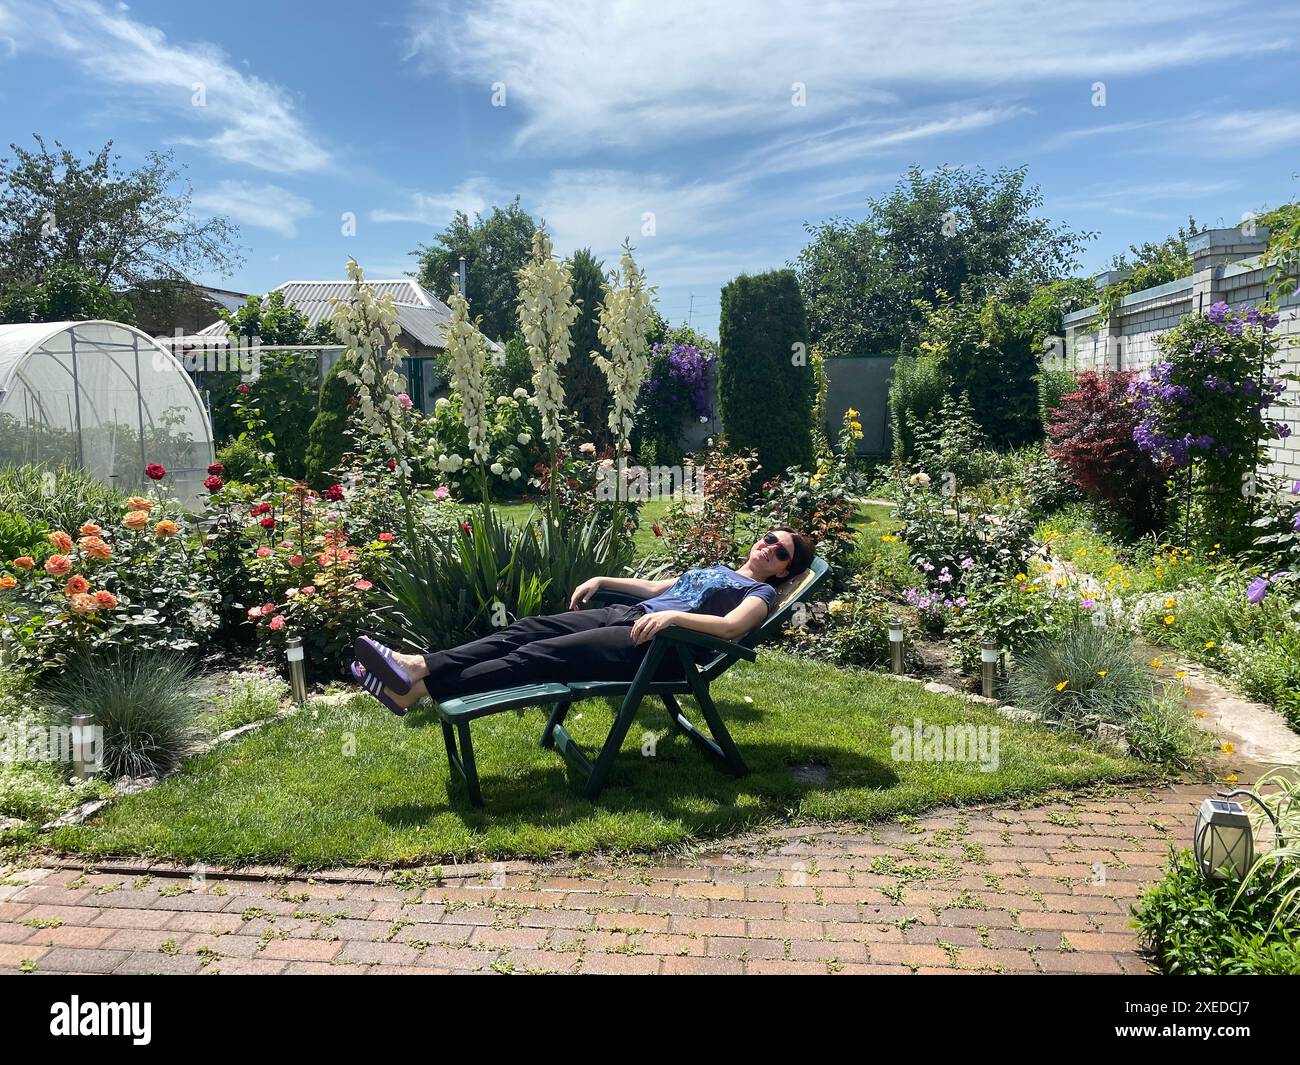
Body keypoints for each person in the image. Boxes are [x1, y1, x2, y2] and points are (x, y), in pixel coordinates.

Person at [351, 526, 815, 716]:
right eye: (768, 538)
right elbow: (658, 590)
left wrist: (676, 619)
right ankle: (418, 669)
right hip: (629, 616)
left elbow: (733, 628)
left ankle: (419, 689)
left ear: (785, 570)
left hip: (659, 649)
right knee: (526, 630)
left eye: (781, 552)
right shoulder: (719, 569)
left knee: (538, 656)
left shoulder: (760, 593)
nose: (769, 547)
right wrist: (601, 577)